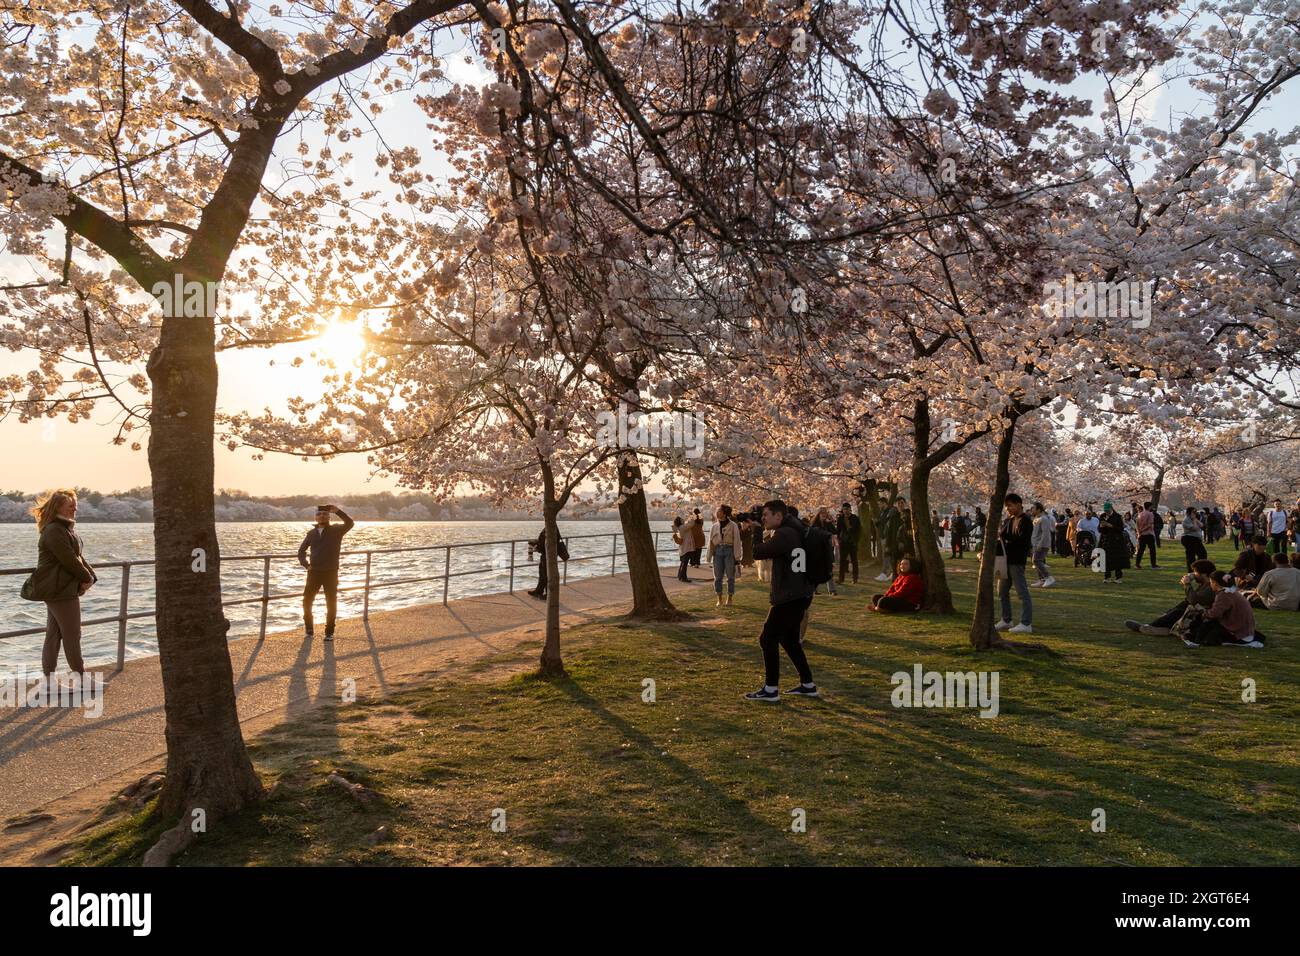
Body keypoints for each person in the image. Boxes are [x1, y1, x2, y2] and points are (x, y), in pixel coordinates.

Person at [744, 500, 818, 703]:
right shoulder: (796, 530)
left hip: (790, 596)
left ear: (779, 516)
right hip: (800, 593)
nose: (763, 518)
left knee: (767, 639)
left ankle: (771, 689)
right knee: (788, 640)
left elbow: (758, 552)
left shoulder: (785, 534)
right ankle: (807, 684)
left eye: (766, 515)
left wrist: (756, 531)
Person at [24, 489, 97, 679]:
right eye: (70, 506)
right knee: (73, 634)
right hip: (58, 589)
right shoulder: (54, 530)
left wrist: (91, 576)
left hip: (60, 588)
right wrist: (86, 578)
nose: (75, 508)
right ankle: (81, 678)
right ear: (58, 507)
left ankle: (48, 682)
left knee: (54, 635)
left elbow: (77, 557)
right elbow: (68, 559)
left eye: (75, 505)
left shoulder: (64, 528)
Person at [298, 504, 354, 639]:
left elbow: (350, 523)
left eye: (324, 514)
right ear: (316, 518)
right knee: (307, 601)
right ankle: (309, 630)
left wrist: (338, 511)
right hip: (314, 572)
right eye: (319, 514)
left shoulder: (336, 530)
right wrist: (306, 565)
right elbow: (301, 551)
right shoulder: (311, 533)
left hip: (330, 572)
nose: (322, 516)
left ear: (329, 517)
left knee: (331, 602)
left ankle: (329, 632)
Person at [1125, 559, 1217, 635]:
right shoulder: (1204, 584)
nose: (1193, 574)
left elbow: (1193, 600)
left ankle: (1147, 628)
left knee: (1179, 612)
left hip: (1202, 616)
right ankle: (1153, 627)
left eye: (1195, 572)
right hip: (1196, 613)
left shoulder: (1211, 587)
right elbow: (1189, 600)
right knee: (1181, 607)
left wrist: (1188, 584)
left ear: (1204, 574)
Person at [1190, 572, 1265, 647]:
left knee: (1206, 627)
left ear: (1215, 583)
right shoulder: (1232, 591)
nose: (1210, 585)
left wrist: (1202, 611)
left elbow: (1214, 614)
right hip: (1246, 631)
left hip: (1239, 633)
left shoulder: (1224, 595)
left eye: (1211, 582)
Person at [995, 493, 1034, 634]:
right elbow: (1002, 536)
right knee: (1002, 592)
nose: (1008, 509)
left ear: (1018, 504)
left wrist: (1005, 537)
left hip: (1017, 561)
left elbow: (1022, 542)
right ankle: (1006, 619)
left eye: (1010, 506)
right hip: (1005, 561)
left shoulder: (1026, 521)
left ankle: (1026, 623)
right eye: (1006, 507)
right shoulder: (1010, 520)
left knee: (1022, 593)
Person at [708, 505, 743, 607]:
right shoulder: (714, 526)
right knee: (717, 576)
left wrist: (737, 557)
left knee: (730, 576)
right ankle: (719, 598)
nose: (716, 512)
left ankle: (730, 598)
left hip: (729, 551)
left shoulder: (733, 525)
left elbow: (737, 541)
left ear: (724, 513)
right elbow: (710, 542)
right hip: (717, 551)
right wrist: (709, 556)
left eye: (718, 511)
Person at [1097, 502, 1130, 582]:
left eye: (1108, 510)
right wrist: (1101, 526)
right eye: (1105, 511)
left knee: (1117, 559)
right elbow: (1099, 530)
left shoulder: (1118, 517)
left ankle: (1118, 577)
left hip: (1116, 541)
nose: (1106, 512)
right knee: (1105, 559)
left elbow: (1120, 529)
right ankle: (1107, 577)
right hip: (1105, 540)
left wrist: (1110, 525)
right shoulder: (1102, 516)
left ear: (1111, 508)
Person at [874, 497, 901, 581]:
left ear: (884, 503)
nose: (879, 506)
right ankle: (892, 572)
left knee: (887, 555)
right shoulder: (883, 513)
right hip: (883, 537)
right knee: (887, 555)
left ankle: (885, 573)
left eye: (879, 504)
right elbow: (882, 523)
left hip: (887, 537)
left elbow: (888, 525)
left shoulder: (890, 511)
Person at [1030, 502, 1056, 588]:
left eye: (1033, 508)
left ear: (1039, 509)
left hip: (1042, 544)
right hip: (1035, 543)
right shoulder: (1037, 518)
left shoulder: (1044, 519)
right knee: (1037, 561)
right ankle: (1042, 580)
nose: (1031, 510)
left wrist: (1040, 544)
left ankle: (1048, 577)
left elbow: (1045, 533)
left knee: (1036, 561)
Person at [836, 502, 861, 583]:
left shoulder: (855, 518)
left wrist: (856, 541)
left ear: (850, 509)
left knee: (854, 561)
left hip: (852, 543)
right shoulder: (840, 519)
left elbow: (858, 531)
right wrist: (839, 539)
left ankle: (855, 578)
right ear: (842, 510)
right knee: (842, 561)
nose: (846, 511)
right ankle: (841, 578)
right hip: (843, 543)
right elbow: (838, 530)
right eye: (844, 509)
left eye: (847, 509)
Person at [1179, 506, 1207, 571]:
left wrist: (1195, 519)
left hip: (1195, 539)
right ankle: (1192, 570)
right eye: (1194, 512)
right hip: (1189, 539)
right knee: (1191, 556)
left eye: (1195, 512)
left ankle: (1198, 569)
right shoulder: (1186, 520)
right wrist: (1194, 520)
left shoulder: (1194, 519)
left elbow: (1202, 525)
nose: (1195, 513)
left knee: (1202, 554)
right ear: (1189, 513)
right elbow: (1194, 528)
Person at [1135, 501, 1159, 568]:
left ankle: (1137, 564)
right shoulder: (1150, 514)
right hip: (1149, 534)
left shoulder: (1140, 514)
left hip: (1141, 535)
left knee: (1140, 550)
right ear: (1149, 507)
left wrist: (1139, 532)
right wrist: (1143, 530)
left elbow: (1136, 524)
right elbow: (1150, 524)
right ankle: (1153, 564)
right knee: (1152, 550)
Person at [672, 516, 693, 582]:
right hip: (686, 547)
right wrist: (692, 517)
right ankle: (683, 577)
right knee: (685, 563)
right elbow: (692, 524)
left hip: (683, 547)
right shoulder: (683, 527)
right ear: (680, 521)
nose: (683, 519)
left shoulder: (680, 527)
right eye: (682, 519)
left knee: (683, 562)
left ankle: (680, 576)